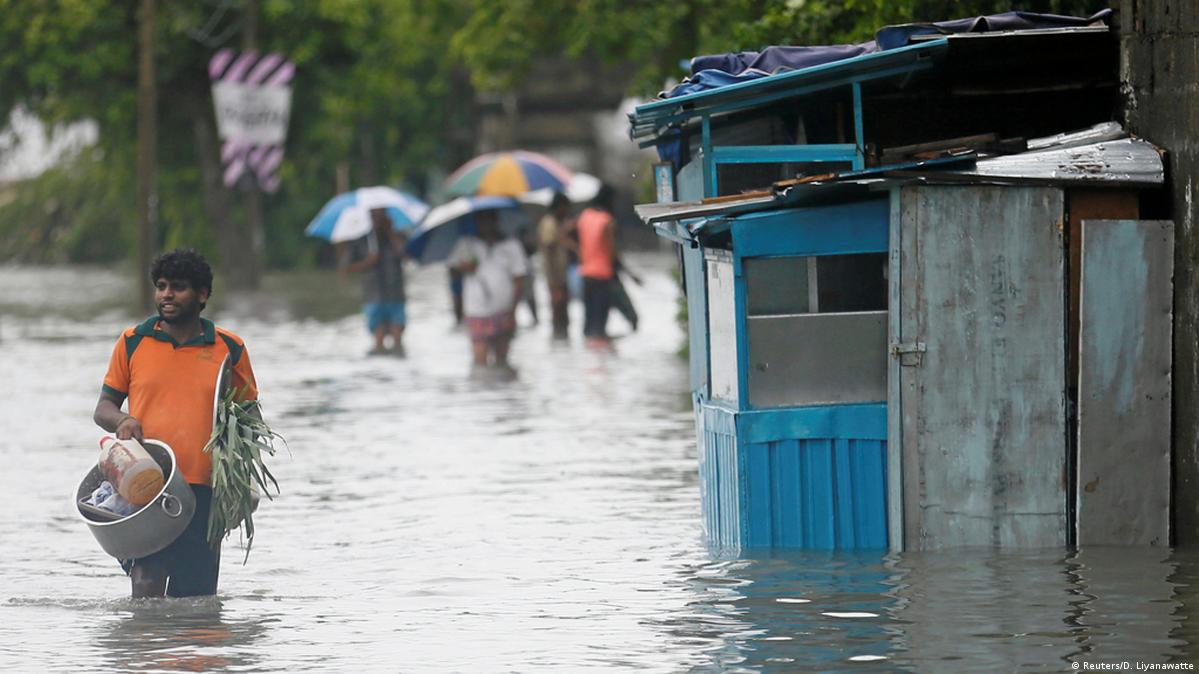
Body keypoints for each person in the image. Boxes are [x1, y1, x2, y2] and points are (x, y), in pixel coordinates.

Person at [93, 248, 259, 598]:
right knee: (145, 582)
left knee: (196, 598)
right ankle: (147, 636)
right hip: (147, 483)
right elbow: (103, 408)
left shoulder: (229, 348)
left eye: (178, 287)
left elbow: (250, 418)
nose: (166, 295)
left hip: (205, 488)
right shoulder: (133, 342)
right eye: (161, 286)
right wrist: (123, 419)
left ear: (202, 295)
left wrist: (240, 479)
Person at [447, 209, 529, 376]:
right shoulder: (467, 244)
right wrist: (465, 267)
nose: (484, 224)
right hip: (476, 311)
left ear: (495, 220)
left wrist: (513, 313)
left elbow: (520, 280)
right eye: (481, 220)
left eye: (488, 219)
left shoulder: (511, 245)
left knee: (502, 363)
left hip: (504, 311)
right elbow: (453, 270)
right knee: (480, 365)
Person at [342, 208, 409, 356]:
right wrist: (368, 262)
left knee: (397, 337)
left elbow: (408, 256)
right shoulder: (361, 239)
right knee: (378, 339)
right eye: (376, 216)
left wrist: (391, 234)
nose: (379, 219)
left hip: (395, 293)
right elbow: (346, 268)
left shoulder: (397, 236)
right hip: (373, 294)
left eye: (382, 215)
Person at [575, 184, 618, 344]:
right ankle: (600, 352)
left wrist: (579, 251)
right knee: (600, 320)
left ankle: (587, 350)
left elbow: (566, 233)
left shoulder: (584, 216)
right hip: (603, 273)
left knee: (588, 318)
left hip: (586, 272)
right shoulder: (607, 220)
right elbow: (612, 250)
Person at [537, 192, 573, 339]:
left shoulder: (558, 223)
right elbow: (550, 249)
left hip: (560, 276)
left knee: (563, 311)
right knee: (558, 310)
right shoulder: (549, 223)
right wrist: (554, 282)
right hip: (555, 277)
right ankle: (558, 340)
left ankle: (562, 343)